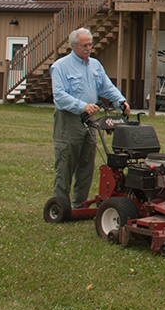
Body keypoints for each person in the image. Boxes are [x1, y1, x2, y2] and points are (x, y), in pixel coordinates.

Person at [50, 27, 130, 208]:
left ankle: (80, 205)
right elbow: (60, 96)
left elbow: (106, 87)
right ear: (73, 46)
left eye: (90, 45)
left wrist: (121, 102)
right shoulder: (60, 66)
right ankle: (60, 206)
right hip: (69, 119)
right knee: (66, 164)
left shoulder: (95, 65)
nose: (88, 48)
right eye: (83, 45)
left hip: (90, 121)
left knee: (86, 163)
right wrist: (82, 106)